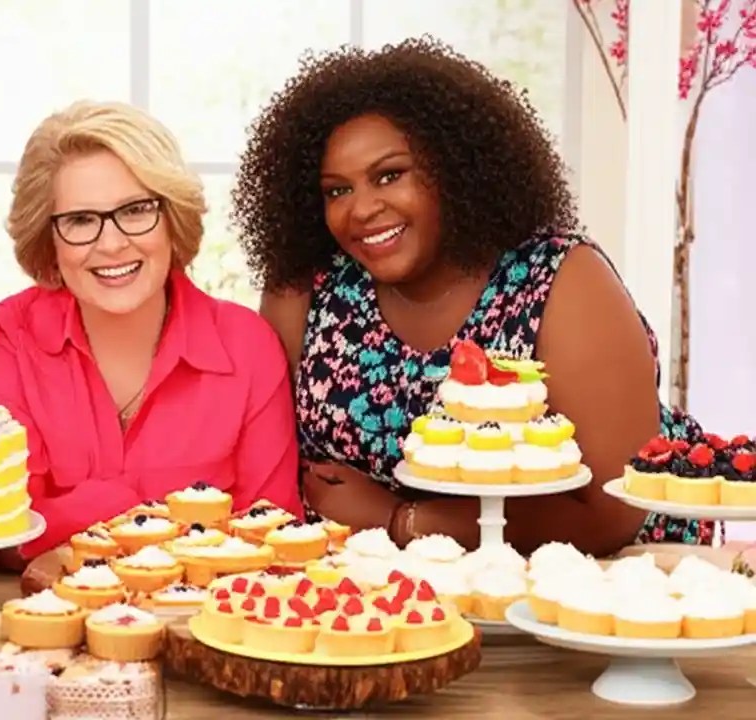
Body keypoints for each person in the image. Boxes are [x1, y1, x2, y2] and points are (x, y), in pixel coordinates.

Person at [232, 38, 706, 558]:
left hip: (609, 581)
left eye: (390, 175)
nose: (362, 209)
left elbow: (613, 511)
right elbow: (278, 469)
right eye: (336, 190)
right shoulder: (307, 288)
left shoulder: (561, 279)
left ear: (456, 170)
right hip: (383, 586)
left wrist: (400, 521)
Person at [0, 100, 301, 563]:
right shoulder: (8, 340)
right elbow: (2, 536)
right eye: (80, 220)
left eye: (135, 210)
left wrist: (81, 514)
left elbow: (276, 539)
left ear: (173, 218)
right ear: (48, 239)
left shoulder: (247, 348)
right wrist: (152, 507)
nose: (111, 244)